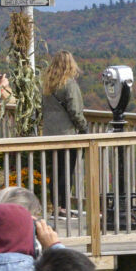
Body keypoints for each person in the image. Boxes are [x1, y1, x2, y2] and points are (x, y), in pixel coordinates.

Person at [40, 52, 87, 213]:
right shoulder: (69, 84)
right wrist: (83, 127)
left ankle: (55, 204)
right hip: (67, 134)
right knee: (66, 171)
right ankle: (64, 206)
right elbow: (75, 110)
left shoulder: (47, 85)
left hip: (49, 134)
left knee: (54, 171)